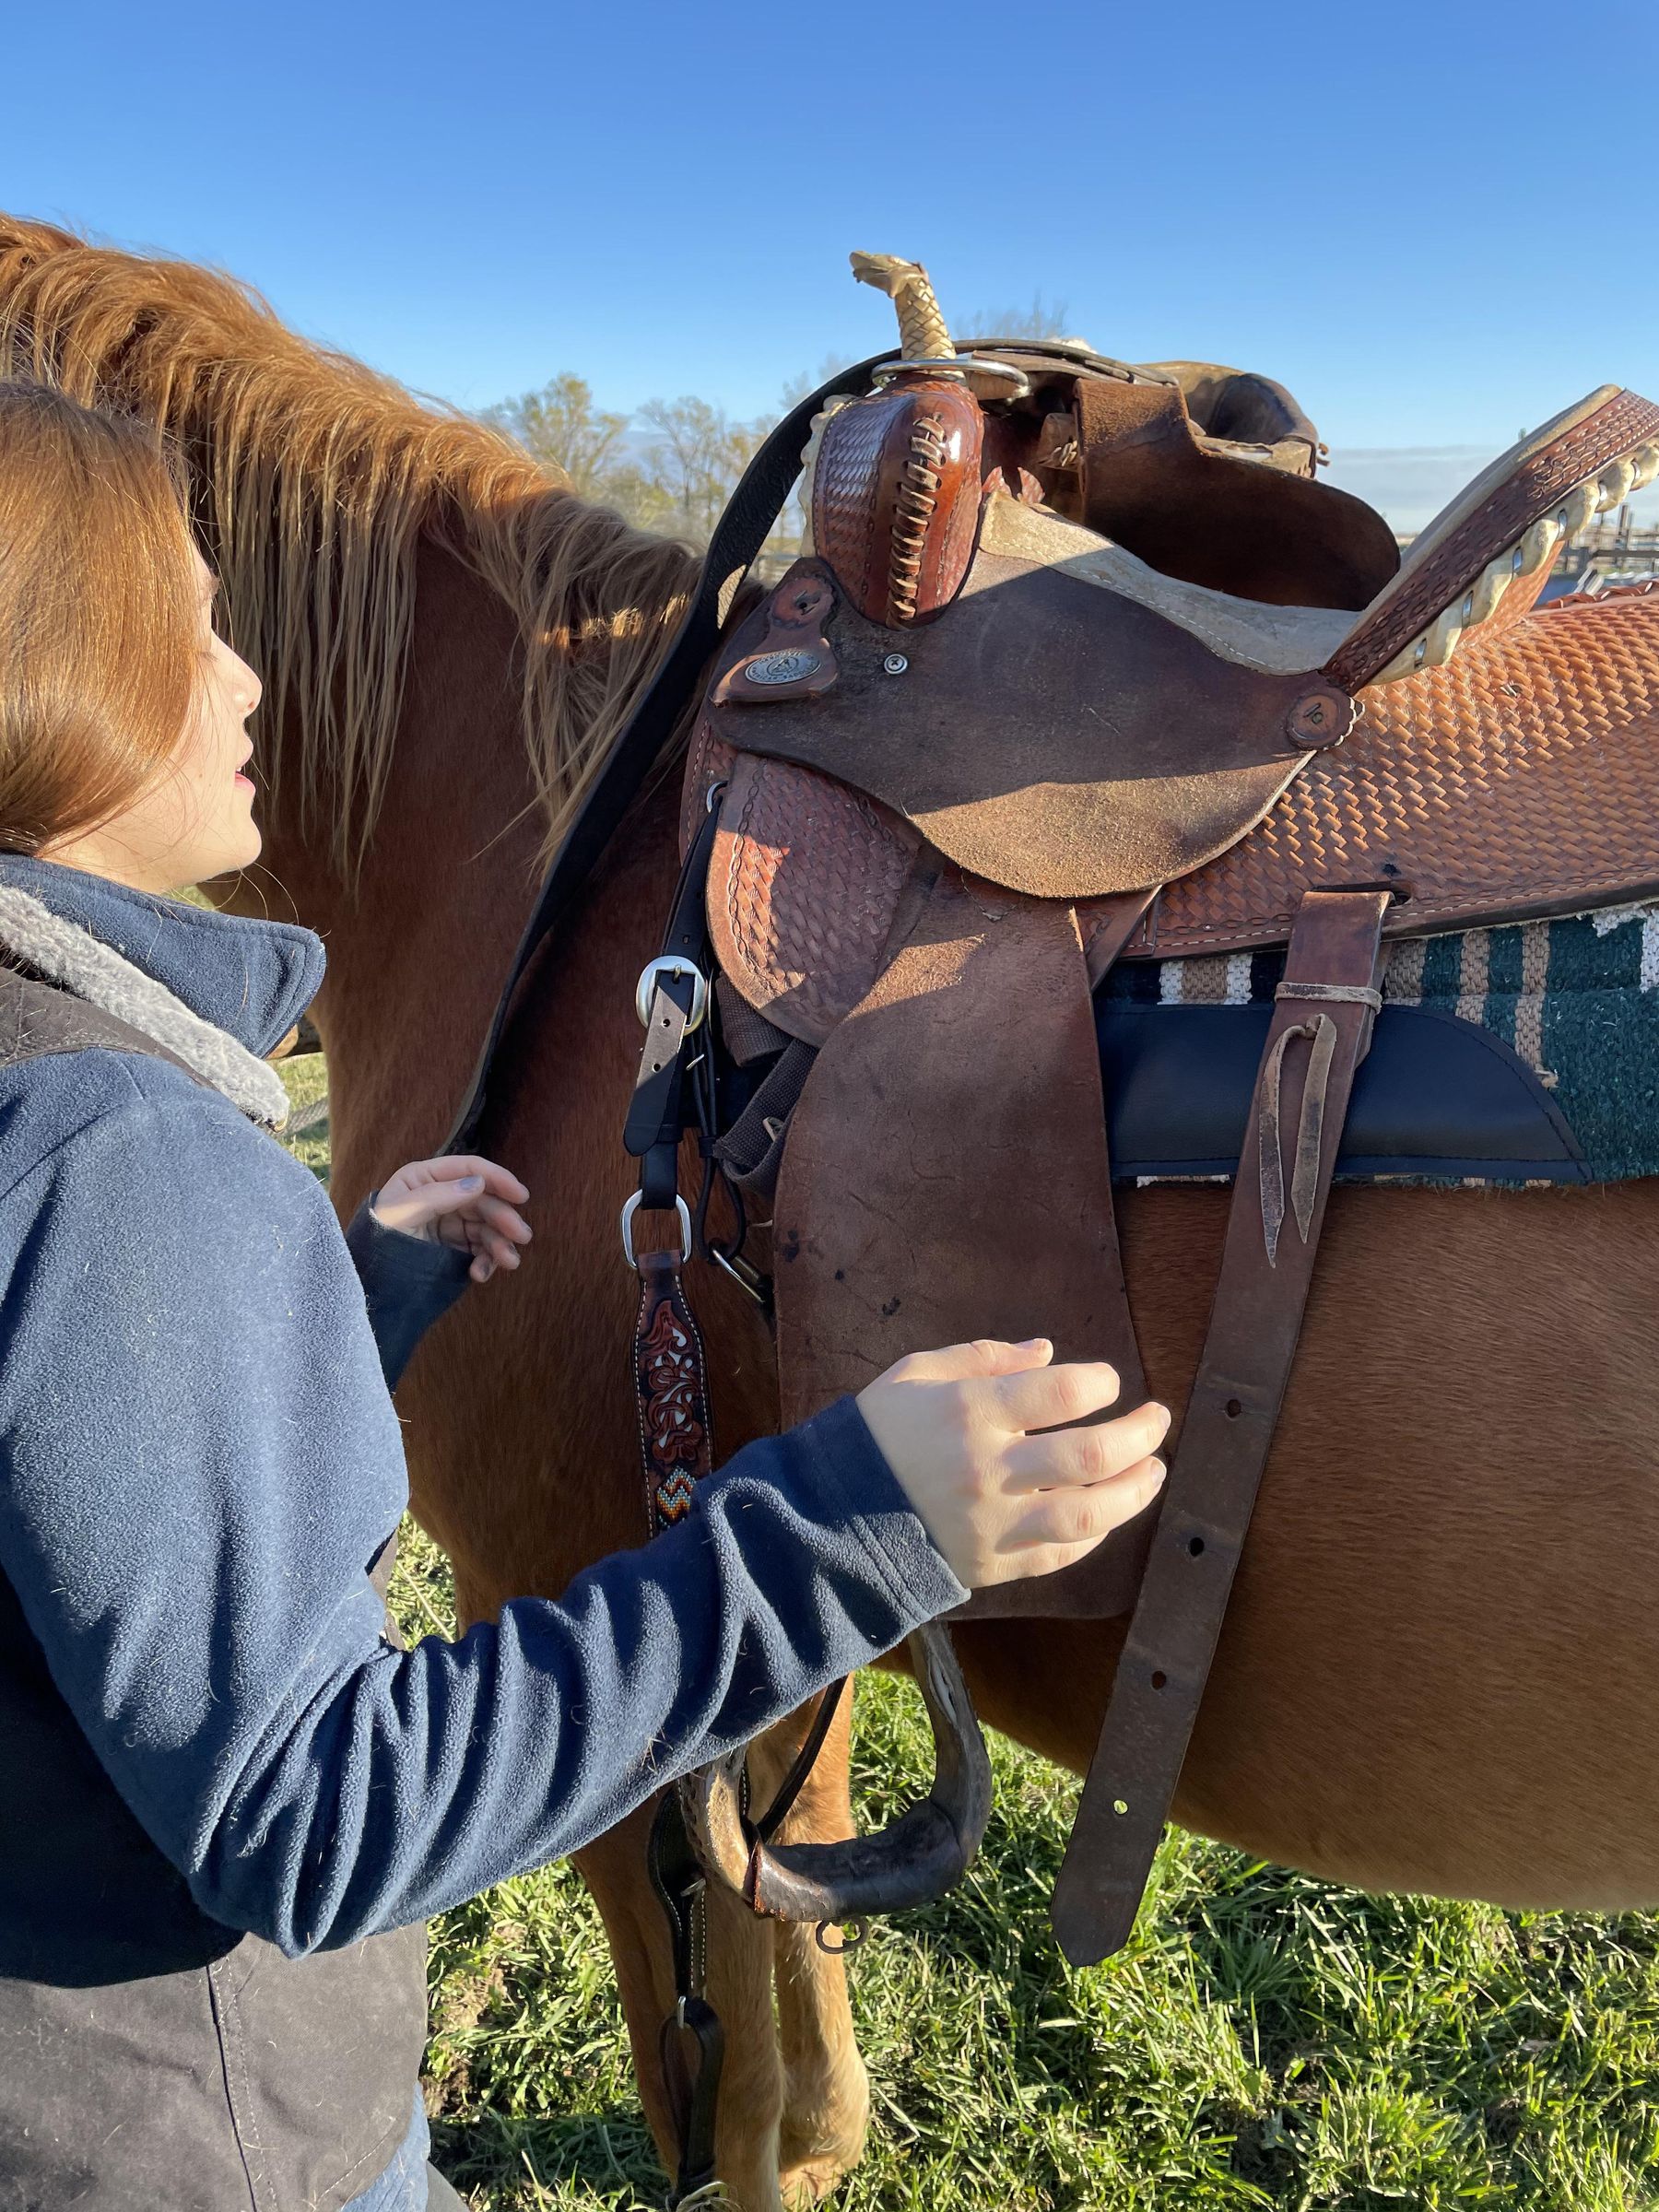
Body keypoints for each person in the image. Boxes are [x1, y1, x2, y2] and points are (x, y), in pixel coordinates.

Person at [0, 380, 1171, 2212]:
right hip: (204, 2148)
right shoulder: (114, 1153)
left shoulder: (49, 1103)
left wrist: (338, 1298)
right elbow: (310, 1818)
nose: (247, 682)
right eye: (196, 623)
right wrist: (850, 1530)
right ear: (58, 682)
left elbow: (75, 1460)